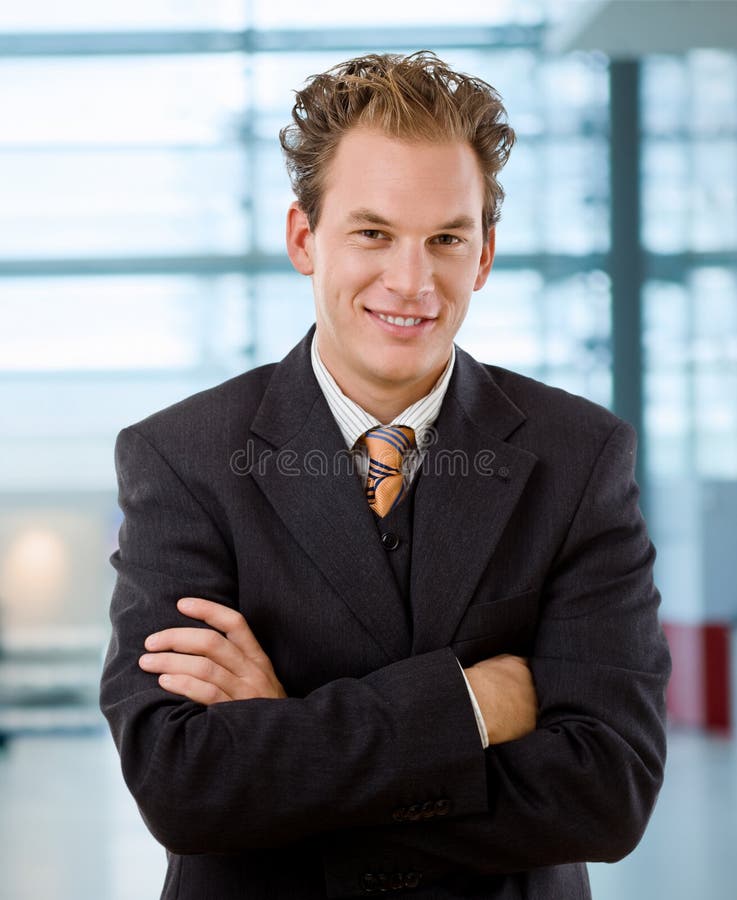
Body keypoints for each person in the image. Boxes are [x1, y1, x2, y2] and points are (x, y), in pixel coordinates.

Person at [100, 51, 671, 899]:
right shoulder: (182, 457)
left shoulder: (580, 456)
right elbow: (184, 786)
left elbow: (606, 791)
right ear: (305, 238)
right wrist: (471, 709)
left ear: (482, 256)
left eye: (446, 238)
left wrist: (285, 733)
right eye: (372, 233)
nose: (411, 281)